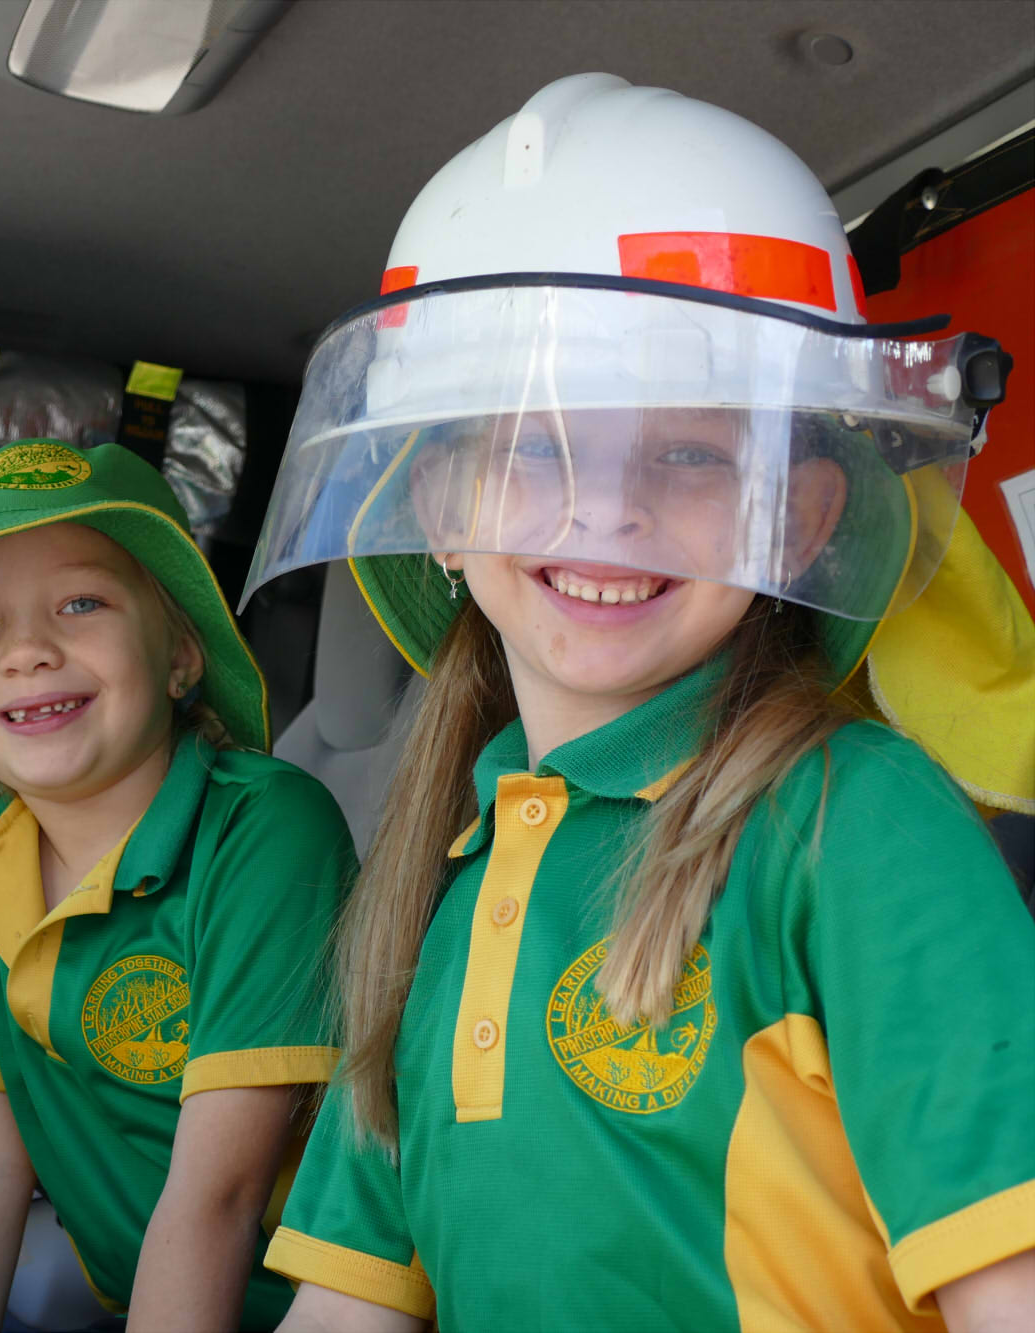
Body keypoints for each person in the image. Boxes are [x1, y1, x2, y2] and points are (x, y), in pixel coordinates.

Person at [240, 73, 1035, 1332]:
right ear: (441, 510)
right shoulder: (436, 891)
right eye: (537, 445)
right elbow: (344, 1311)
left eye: (688, 451)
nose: (605, 509)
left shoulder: (855, 823)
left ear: (803, 514)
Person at [0, 439, 357, 1331]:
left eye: (81, 602)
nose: (28, 651)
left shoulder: (263, 829)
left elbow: (219, 1193)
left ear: (180, 655)